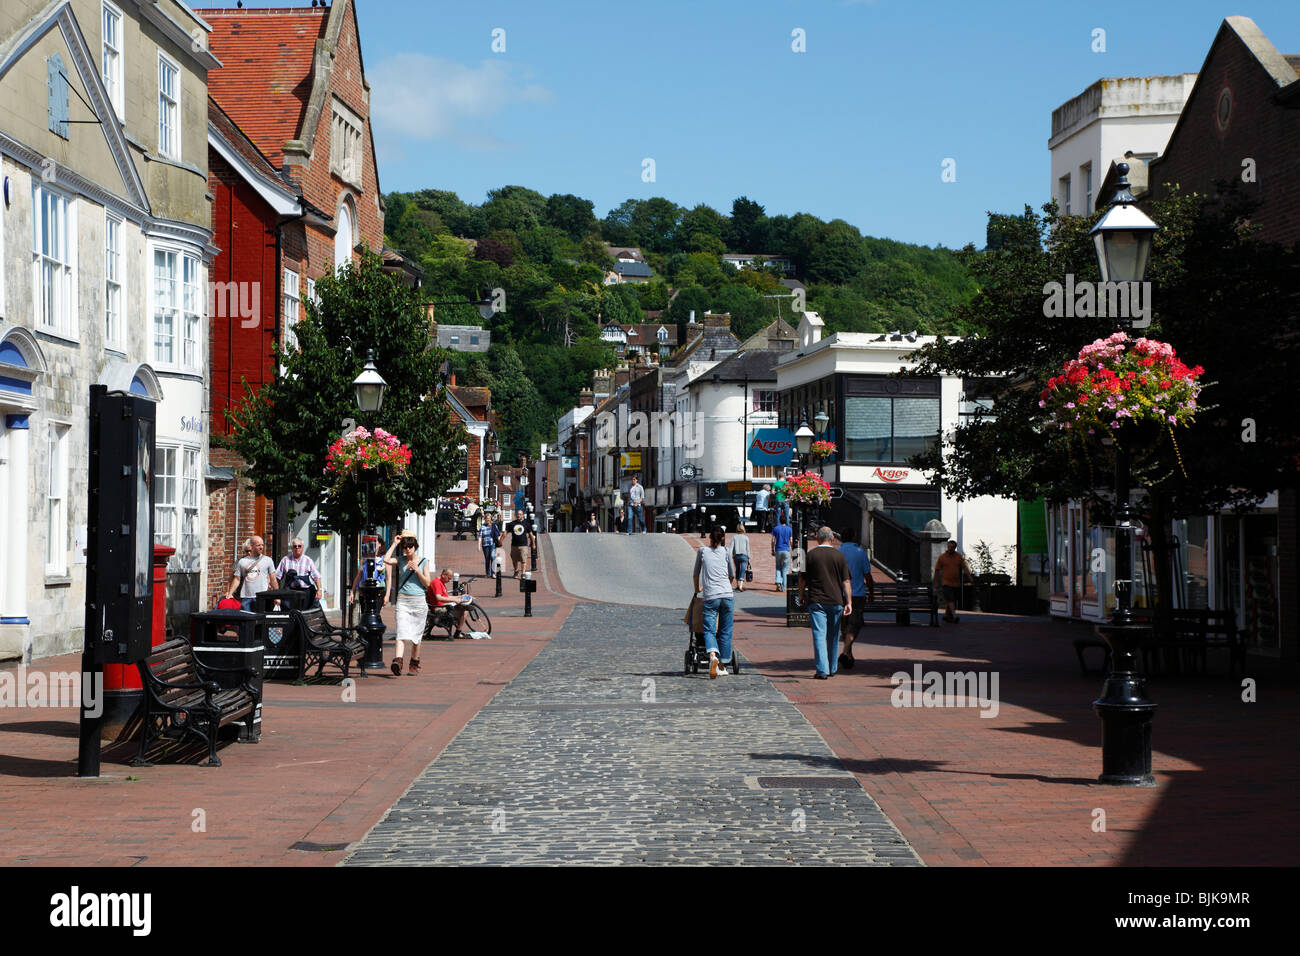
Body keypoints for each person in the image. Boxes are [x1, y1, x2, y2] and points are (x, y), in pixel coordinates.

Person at [800, 526, 852, 679]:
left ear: (818, 538)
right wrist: (849, 601)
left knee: (819, 635)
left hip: (816, 600)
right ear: (832, 538)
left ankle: (822, 669)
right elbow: (846, 581)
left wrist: (801, 594)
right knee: (833, 636)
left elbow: (802, 578)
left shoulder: (810, 555)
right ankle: (832, 667)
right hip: (836, 600)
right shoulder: (839, 556)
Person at [384, 532, 432, 676]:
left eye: (410, 547)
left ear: (415, 547)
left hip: (419, 602)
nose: (407, 550)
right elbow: (386, 559)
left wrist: (417, 570)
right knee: (401, 632)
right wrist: (394, 543)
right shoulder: (400, 560)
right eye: (405, 547)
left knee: (417, 636)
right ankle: (398, 662)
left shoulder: (424, 561)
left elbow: (427, 583)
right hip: (403, 601)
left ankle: (414, 663)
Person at [693, 525, 736, 679]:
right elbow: (732, 574)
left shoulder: (702, 551)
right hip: (727, 595)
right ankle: (722, 666)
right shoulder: (726, 551)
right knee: (725, 630)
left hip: (710, 596)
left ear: (710, 538)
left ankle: (712, 655)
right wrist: (726, 586)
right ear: (723, 538)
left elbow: (696, 574)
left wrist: (697, 590)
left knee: (709, 629)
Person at [837, 525, 874, 670]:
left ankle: (848, 657)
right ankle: (846, 652)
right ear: (853, 537)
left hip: (841, 594)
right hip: (857, 593)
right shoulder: (860, 552)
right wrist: (871, 592)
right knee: (855, 625)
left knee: (845, 626)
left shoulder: (838, 552)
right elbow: (867, 575)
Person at [225, 535, 277, 611]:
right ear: (252, 546)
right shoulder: (242, 561)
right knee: (246, 620)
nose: (261, 547)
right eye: (258, 545)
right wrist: (230, 593)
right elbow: (237, 579)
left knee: (261, 620)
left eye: (262, 545)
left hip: (262, 597)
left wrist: (277, 596)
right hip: (246, 597)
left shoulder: (268, 560)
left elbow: (273, 580)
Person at [934, 540, 975, 623]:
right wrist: (936, 582)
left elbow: (965, 568)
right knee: (950, 599)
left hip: (956, 583)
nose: (950, 549)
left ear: (955, 547)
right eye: (949, 547)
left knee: (952, 600)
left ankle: (946, 615)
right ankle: (954, 616)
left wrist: (970, 577)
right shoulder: (942, 557)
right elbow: (937, 570)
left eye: (952, 547)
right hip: (946, 582)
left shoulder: (958, 557)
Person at [276, 538, 323, 608]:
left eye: (299, 546)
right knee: (290, 614)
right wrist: (276, 595)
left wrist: (319, 590)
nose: (297, 548)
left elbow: (316, 577)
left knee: (304, 615)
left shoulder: (308, 560)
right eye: (295, 546)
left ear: (302, 548)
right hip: (290, 592)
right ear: (292, 548)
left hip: (305, 593)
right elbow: (277, 578)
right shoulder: (285, 560)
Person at [428, 567, 473, 638]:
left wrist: (460, 597)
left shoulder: (441, 582)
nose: (449, 580)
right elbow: (439, 598)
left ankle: (458, 632)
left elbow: (447, 597)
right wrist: (455, 600)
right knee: (464, 611)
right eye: (449, 578)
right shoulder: (436, 583)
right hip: (438, 608)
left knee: (464, 608)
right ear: (443, 575)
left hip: (444, 606)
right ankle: (458, 633)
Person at [771, 516, 793, 592]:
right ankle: (784, 587)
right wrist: (792, 549)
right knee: (785, 569)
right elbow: (791, 540)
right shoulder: (789, 529)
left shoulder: (776, 528)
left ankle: (778, 582)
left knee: (778, 567)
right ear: (786, 521)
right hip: (786, 550)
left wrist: (772, 549)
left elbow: (773, 540)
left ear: (779, 520)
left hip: (778, 549)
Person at [727, 522, 751, 592]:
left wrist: (729, 556)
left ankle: (737, 584)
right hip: (744, 555)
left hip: (736, 556)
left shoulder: (734, 537)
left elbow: (731, 548)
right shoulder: (746, 537)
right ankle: (741, 585)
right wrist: (749, 558)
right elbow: (748, 549)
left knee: (737, 569)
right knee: (743, 570)